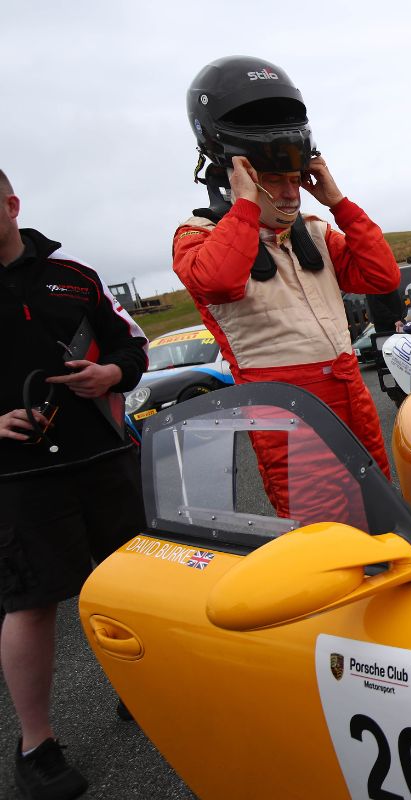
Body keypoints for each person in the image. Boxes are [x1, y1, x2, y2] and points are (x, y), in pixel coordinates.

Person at [173, 56, 400, 515]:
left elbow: (382, 276)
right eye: (274, 179)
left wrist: (337, 200)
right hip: (283, 406)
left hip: (350, 387)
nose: (291, 192)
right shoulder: (197, 235)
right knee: (318, 532)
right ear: (237, 176)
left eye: (297, 179)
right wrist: (243, 207)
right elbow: (217, 282)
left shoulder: (315, 231)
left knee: (382, 510)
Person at [1, 166, 148, 800]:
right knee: (31, 605)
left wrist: (110, 373)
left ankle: (143, 691)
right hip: (20, 478)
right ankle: (36, 746)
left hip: (105, 461)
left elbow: (133, 344)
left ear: (11, 204)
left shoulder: (76, 275)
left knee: (133, 583)